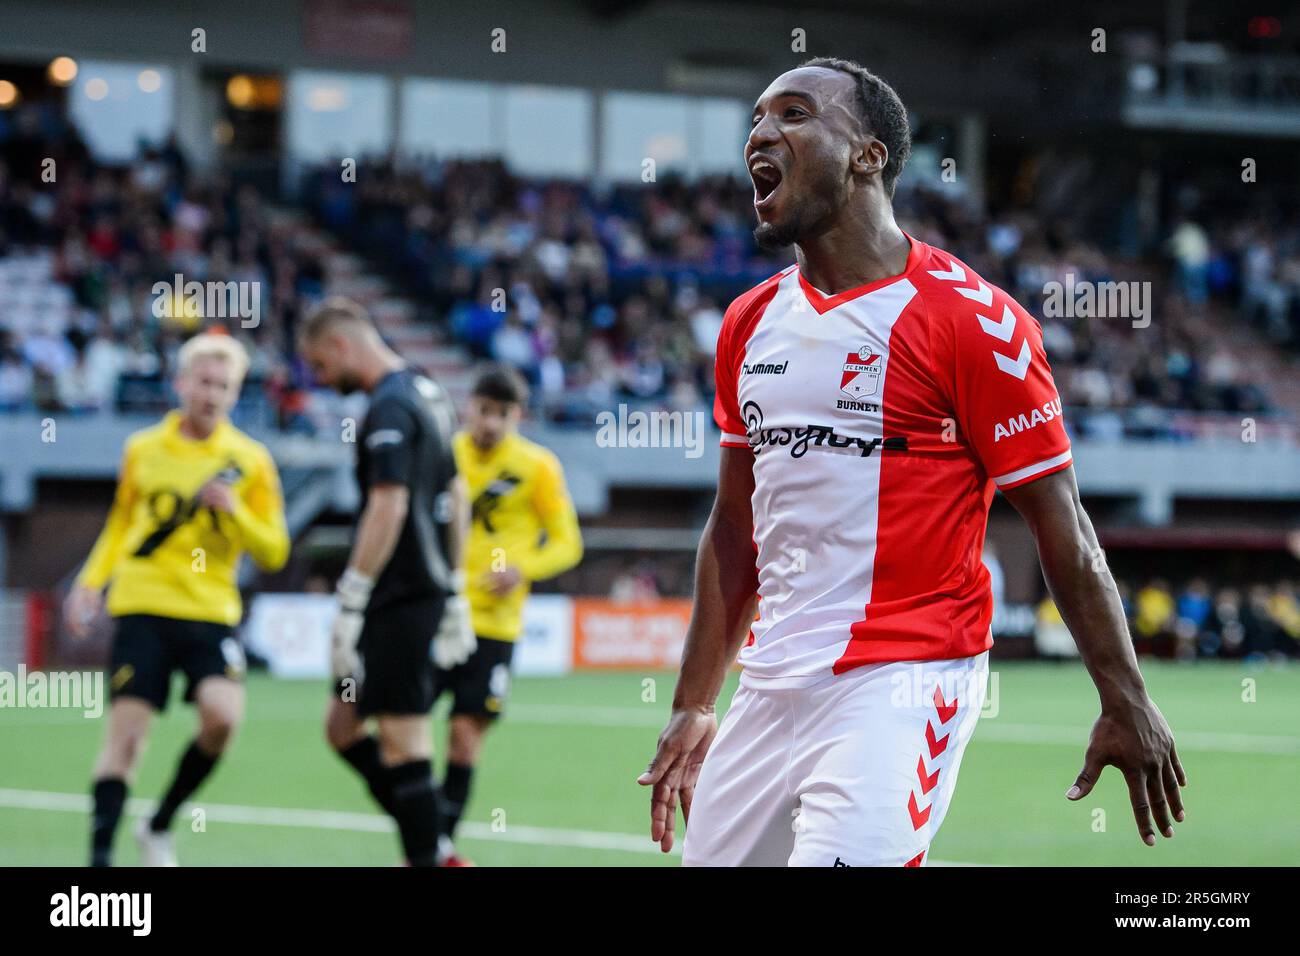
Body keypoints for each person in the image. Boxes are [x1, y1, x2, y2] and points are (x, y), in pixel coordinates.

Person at [639, 58, 1185, 866]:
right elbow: (733, 525)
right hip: (768, 685)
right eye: (756, 119)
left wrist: (1125, 696)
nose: (760, 133)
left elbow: (1061, 523)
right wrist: (693, 701)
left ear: (868, 154)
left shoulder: (974, 323)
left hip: (901, 682)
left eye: (793, 114)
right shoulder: (747, 325)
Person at [66, 331, 289, 866]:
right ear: (181, 383)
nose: (212, 394)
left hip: (211, 611)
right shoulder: (143, 449)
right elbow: (121, 523)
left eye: (225, 386)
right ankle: (99, 864)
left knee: (222, 719)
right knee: (127, 738)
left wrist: (238, 513)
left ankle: (160, 822)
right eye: (204, 382)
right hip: (143, 605)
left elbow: (276, 549)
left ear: (236, 394)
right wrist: (89, 583)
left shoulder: (251, 460)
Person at [298, 297, 475, 867]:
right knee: (342, 724)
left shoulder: (390, 406)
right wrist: (455, 583)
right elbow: (457, 493)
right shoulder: (427, 390)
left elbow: (389, 504)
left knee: (404, 739)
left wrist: (350, 597)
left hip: (398, 596)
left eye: (321, 368)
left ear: (338, 345)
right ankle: (435, 842)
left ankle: (427, 852)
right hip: (421, 590)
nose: (323, 382)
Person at [434, 365, 583, 865]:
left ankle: (435, 848)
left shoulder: (538, 465)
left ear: (517, 415)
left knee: (464, 735)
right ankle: (428, 838)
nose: (491, 423)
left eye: (503, 414)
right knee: (398, 726)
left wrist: (524, 569)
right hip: (437, 612)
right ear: (467, 407)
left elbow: (568, 543)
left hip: (495, 624)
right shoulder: (443, 453)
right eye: (484, 410)